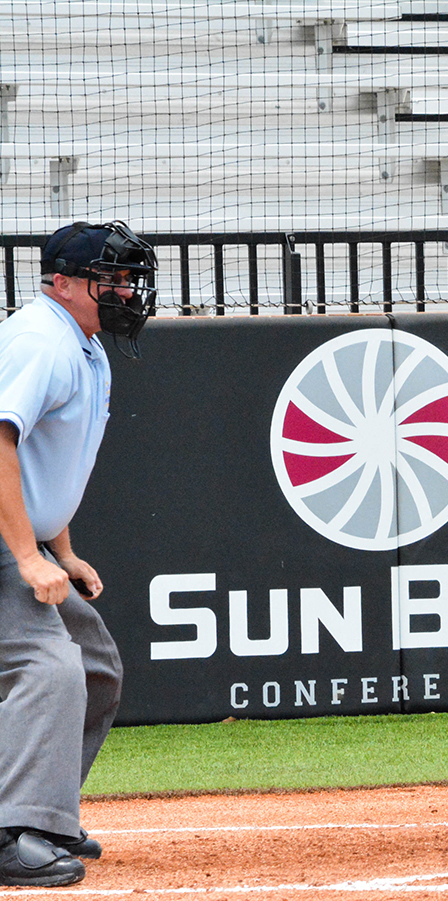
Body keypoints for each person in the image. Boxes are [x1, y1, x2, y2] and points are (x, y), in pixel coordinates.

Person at [0, 221, 157, 887]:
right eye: (110, 280)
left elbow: (47, 460)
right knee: (49, 665)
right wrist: (28, 557)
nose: (124, 291)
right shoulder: (41, 340)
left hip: (23, 536)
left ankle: (45, 811)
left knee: (94, 667)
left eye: (126, 279)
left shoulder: (81, 343)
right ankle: (12, 832)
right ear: (62, 283)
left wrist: (60, 547)